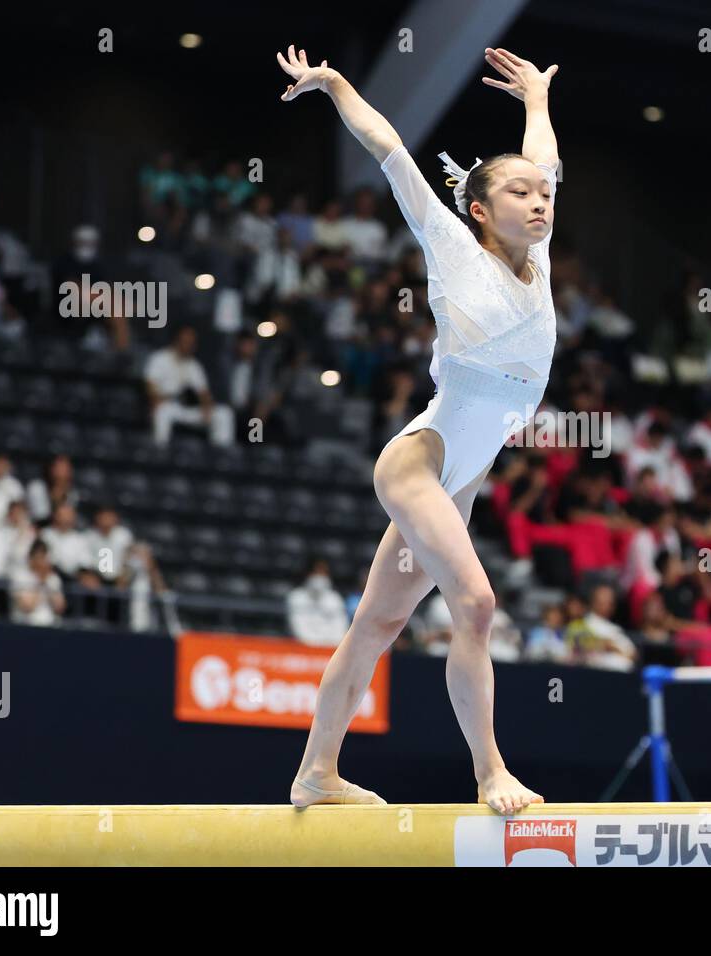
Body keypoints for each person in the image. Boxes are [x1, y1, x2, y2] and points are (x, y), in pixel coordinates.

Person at [277, 43, 559, 813]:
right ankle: (492, 772)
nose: (541, 201)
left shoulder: (541, 257)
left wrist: (536, 101)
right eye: (522, 194)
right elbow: (391, 148)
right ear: (477, 208)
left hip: (459, 478)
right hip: (420, 461)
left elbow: (544, 159)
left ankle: (316, 773)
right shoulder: (452, 247)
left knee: (379, 621)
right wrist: (334, 84)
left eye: (546, 194)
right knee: (475, 604)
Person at [143, 325, 235, 446]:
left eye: (191, 343)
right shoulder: (159, 358)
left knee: (224, 413)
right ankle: (160, 451)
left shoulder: (194, 365)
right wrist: (156, 401)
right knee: (163, 411)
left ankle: (221, 457)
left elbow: (203, 392)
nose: (189, 345)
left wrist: (207, 406)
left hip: (189, 408)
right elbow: (150, 386)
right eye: (186, 341)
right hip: (168, 405)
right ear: (176, 340)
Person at [286, 557, 351, 647]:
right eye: (316, 572)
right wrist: (315, 645)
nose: (319, 577)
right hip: (305, 648)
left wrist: (328, 646)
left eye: (323, 573)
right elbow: (298, 627)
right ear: (308, 574)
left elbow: (341, 628)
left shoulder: (335, 599)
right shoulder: (296, 597)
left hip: (331, 649)